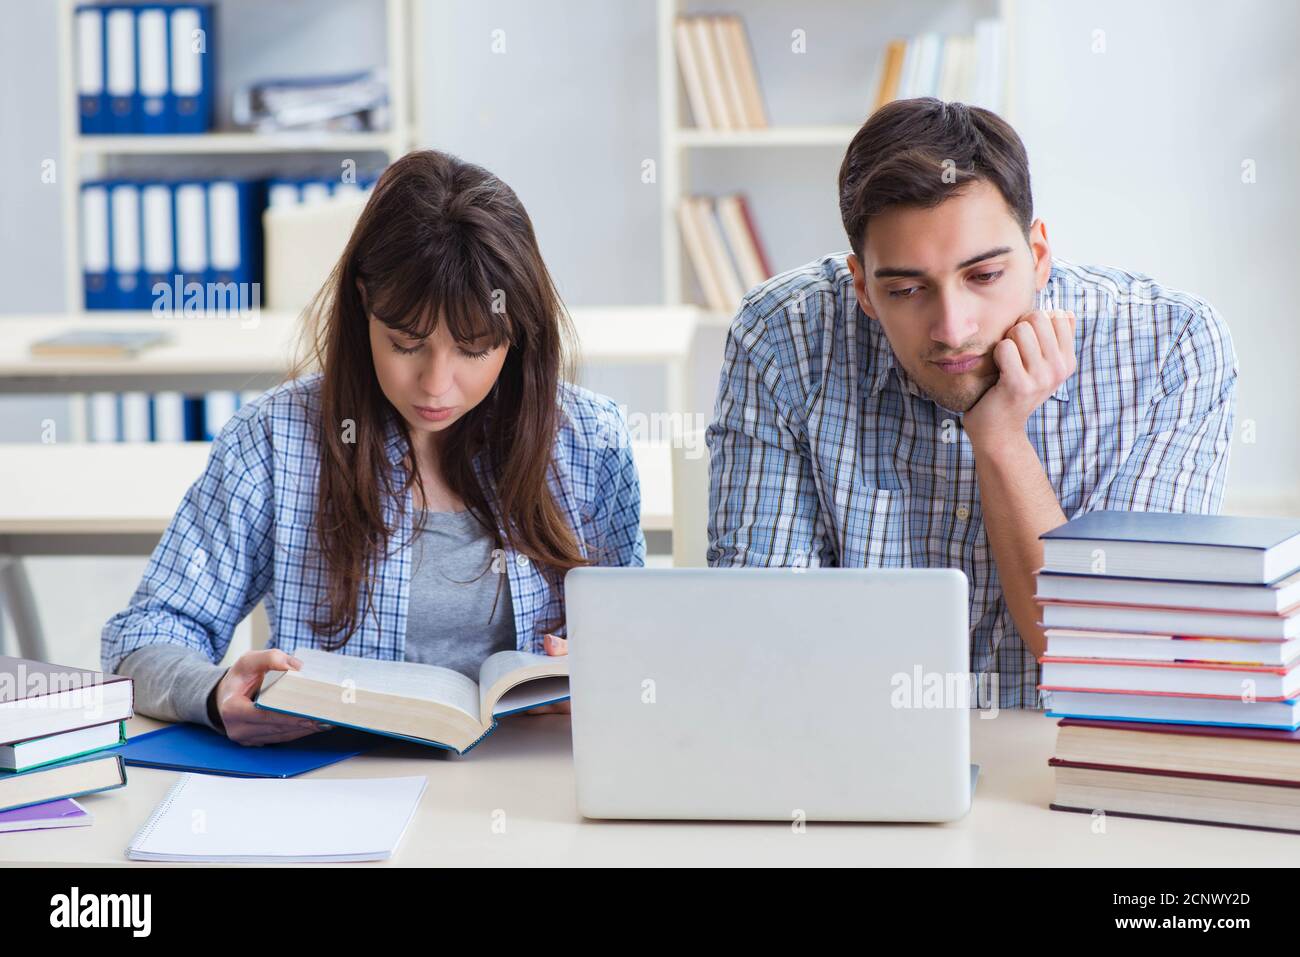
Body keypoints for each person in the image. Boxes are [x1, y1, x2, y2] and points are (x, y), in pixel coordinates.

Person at [706, 97, 1238, 708]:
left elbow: (1107, 652)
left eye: (983, 277)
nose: (953, 328)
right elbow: (762, 636)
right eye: (907, 289)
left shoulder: (1172, 346)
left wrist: (1002, 438)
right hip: (855, 756)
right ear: (863, 288)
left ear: (1039, 257)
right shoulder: (785, 333)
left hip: (1071, 761)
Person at [102, 150, 645, 745]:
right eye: (407, 344)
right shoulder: (275, 440)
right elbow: (142, 636)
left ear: (517, 333)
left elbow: (637, 650)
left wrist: (601, 668)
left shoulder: (589, 442)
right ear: (364, 302)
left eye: (473, 350)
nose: (436, 385)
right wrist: (213, 691)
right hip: (331, 789)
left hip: (525, 792)